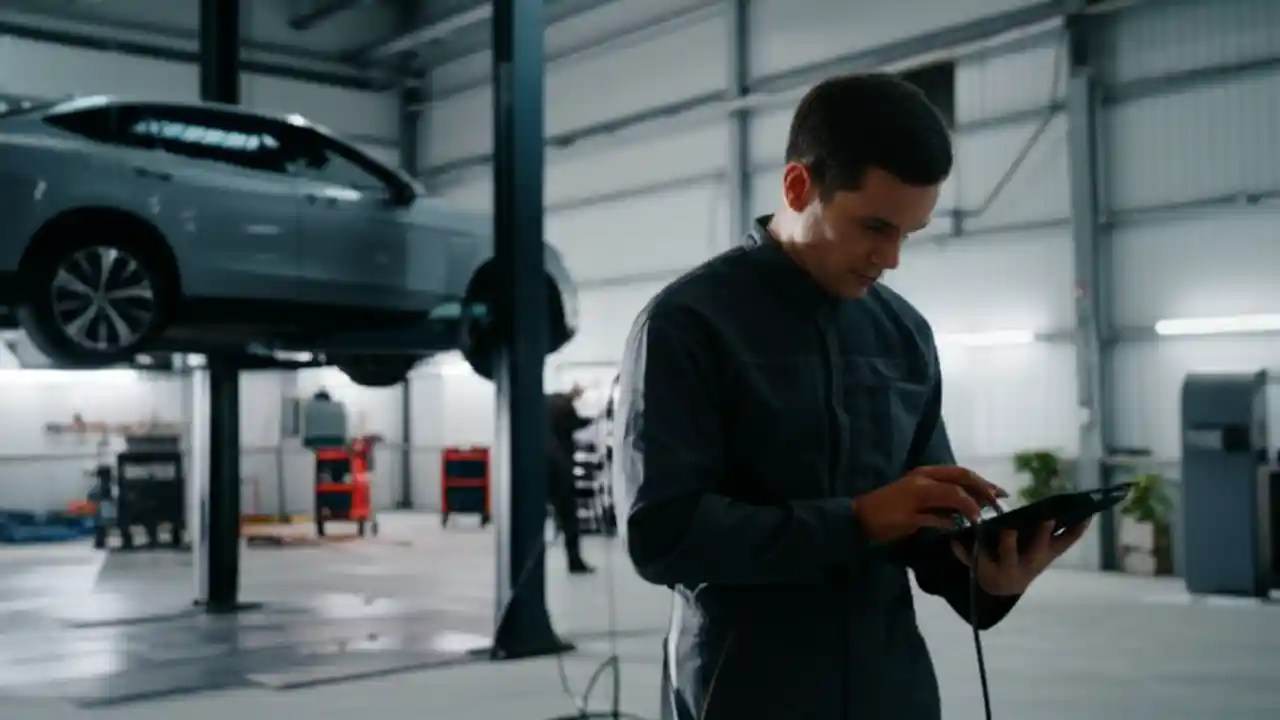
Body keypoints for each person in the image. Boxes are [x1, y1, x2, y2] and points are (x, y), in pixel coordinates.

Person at [612, 74, 1090, 720]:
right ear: (798, 187)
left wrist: (987, 577)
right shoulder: (689, 324)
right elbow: (663, 535)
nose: (889, 258)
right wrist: (857, 520)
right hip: (745, 691)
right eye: (873, 226)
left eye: (908, 234)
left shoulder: (904, 334)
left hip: (891, 689)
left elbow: (926, 523)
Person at [547, 383, 594, 574]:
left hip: (537, 465)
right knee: (568, 517)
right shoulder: (565, 405)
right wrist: (593, 420)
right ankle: (575, 562)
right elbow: (574, 424)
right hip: (560, 466)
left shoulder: (547, 400)